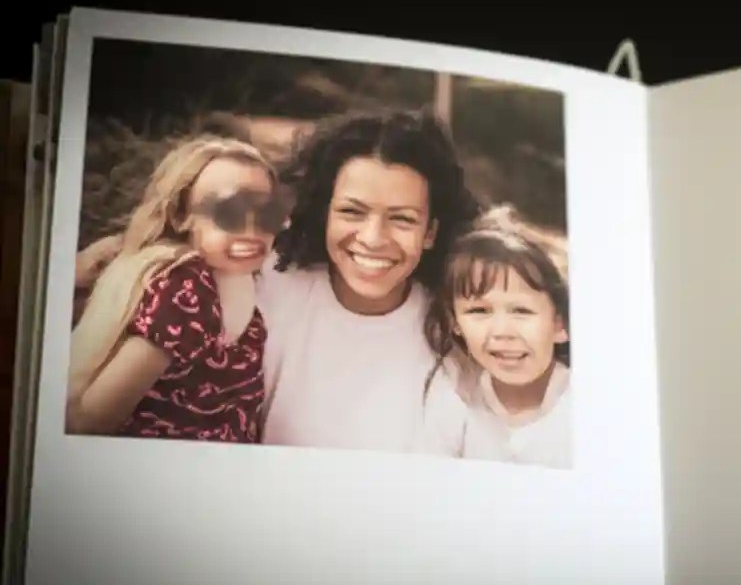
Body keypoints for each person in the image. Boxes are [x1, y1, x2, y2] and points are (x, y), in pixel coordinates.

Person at [255, 108, 481, 450]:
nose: (373, 238)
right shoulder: (267, 288)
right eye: (352, 212)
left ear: (430, 232)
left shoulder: (459, 330)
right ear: (324, 212)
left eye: (402, 219)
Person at [65, 136, 287, 442]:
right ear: (181, 216)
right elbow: (89, 421)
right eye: (228, 212)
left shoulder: (233, 279)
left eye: (267, 214)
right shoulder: (187, 288)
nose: (251, 230)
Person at [417, 205, 572, 468]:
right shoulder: (455, 394)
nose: (501, 331)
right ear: (455, 322)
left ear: (560, 324)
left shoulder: (580, 404)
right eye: (479, 310)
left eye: (521, 311)